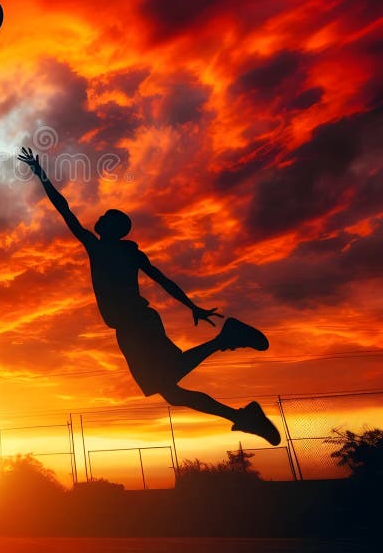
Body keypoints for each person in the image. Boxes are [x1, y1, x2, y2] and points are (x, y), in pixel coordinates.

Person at [18, 147, 280, 446]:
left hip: (136, 325)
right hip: (136, 323)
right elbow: (162, 280)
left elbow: (65, 210)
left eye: (106, 217)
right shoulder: (128, 252)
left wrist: (41, 176)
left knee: (168, 379)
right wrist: (191, 306)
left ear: (112, 228)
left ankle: (226, 340)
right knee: (172, 392)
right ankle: (241, 417)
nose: (99, 217)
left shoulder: (100, 247)